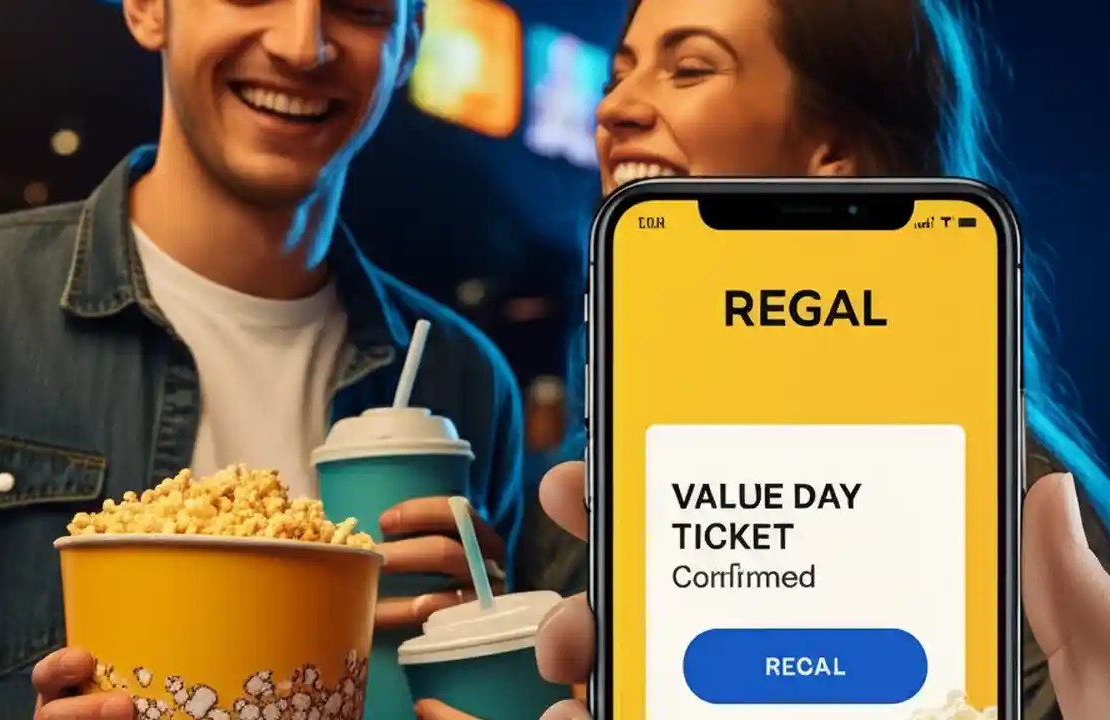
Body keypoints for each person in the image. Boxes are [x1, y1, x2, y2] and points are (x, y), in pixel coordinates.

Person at [0, 0, 528, 718]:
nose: (302, 45)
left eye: (361, 8)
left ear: (409, 43)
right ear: (145, 9)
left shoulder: (464, 381)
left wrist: (484, 649)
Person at [416, 0, 1110, 718]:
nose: (615, 107)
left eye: (689, 69)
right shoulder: (602, 483)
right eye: (618, 75)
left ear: (833, 155)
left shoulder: (1011, 499)